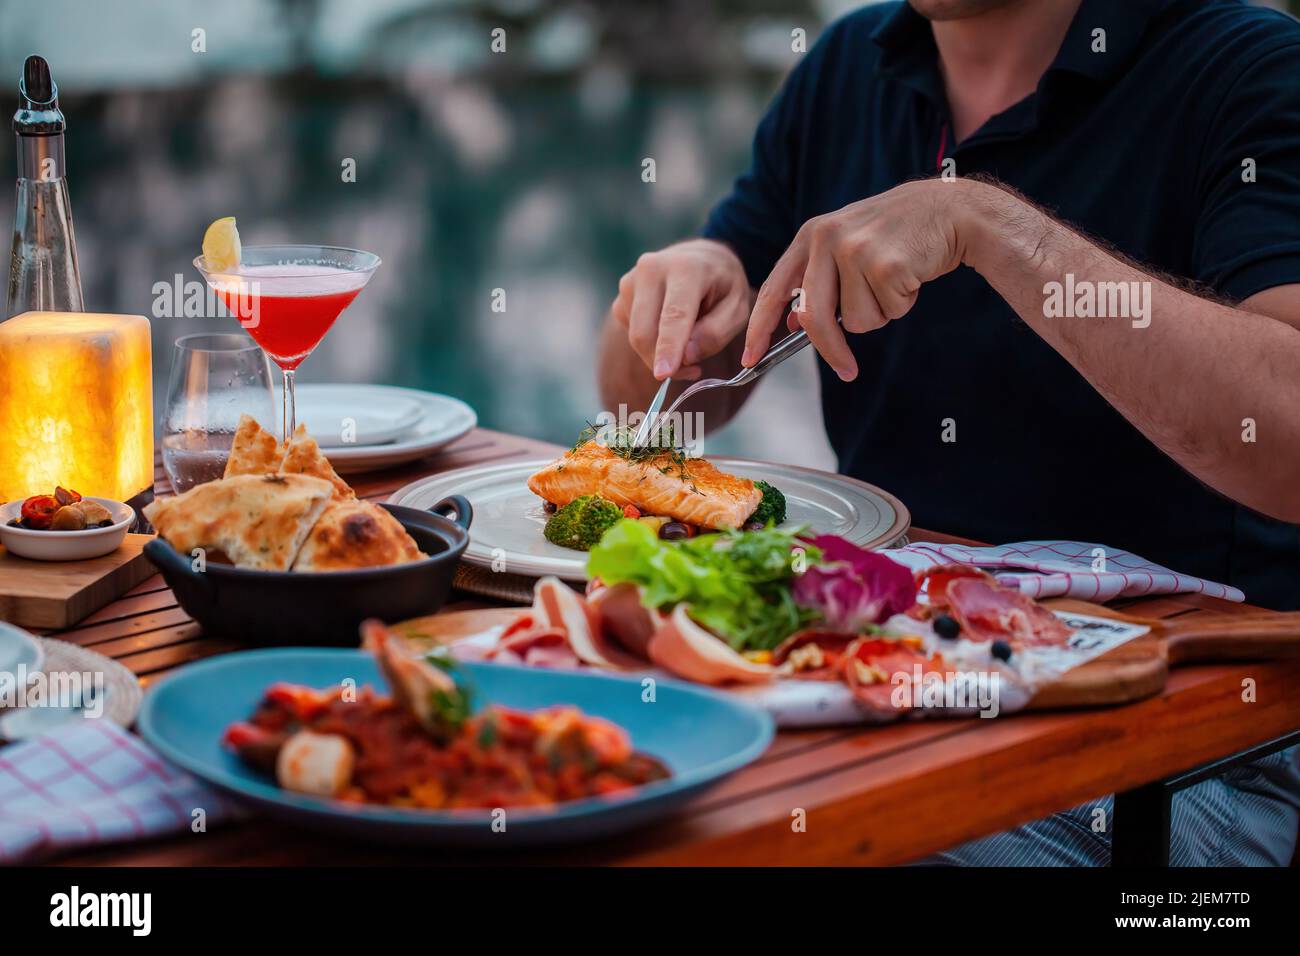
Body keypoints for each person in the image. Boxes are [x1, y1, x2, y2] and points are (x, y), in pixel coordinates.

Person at [596, 0, 1300, 865]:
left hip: (1184, 745)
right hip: (879, 672)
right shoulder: (851, 63)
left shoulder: (1250, 64)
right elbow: (666, 407)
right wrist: (673, 311)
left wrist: (990, 228)